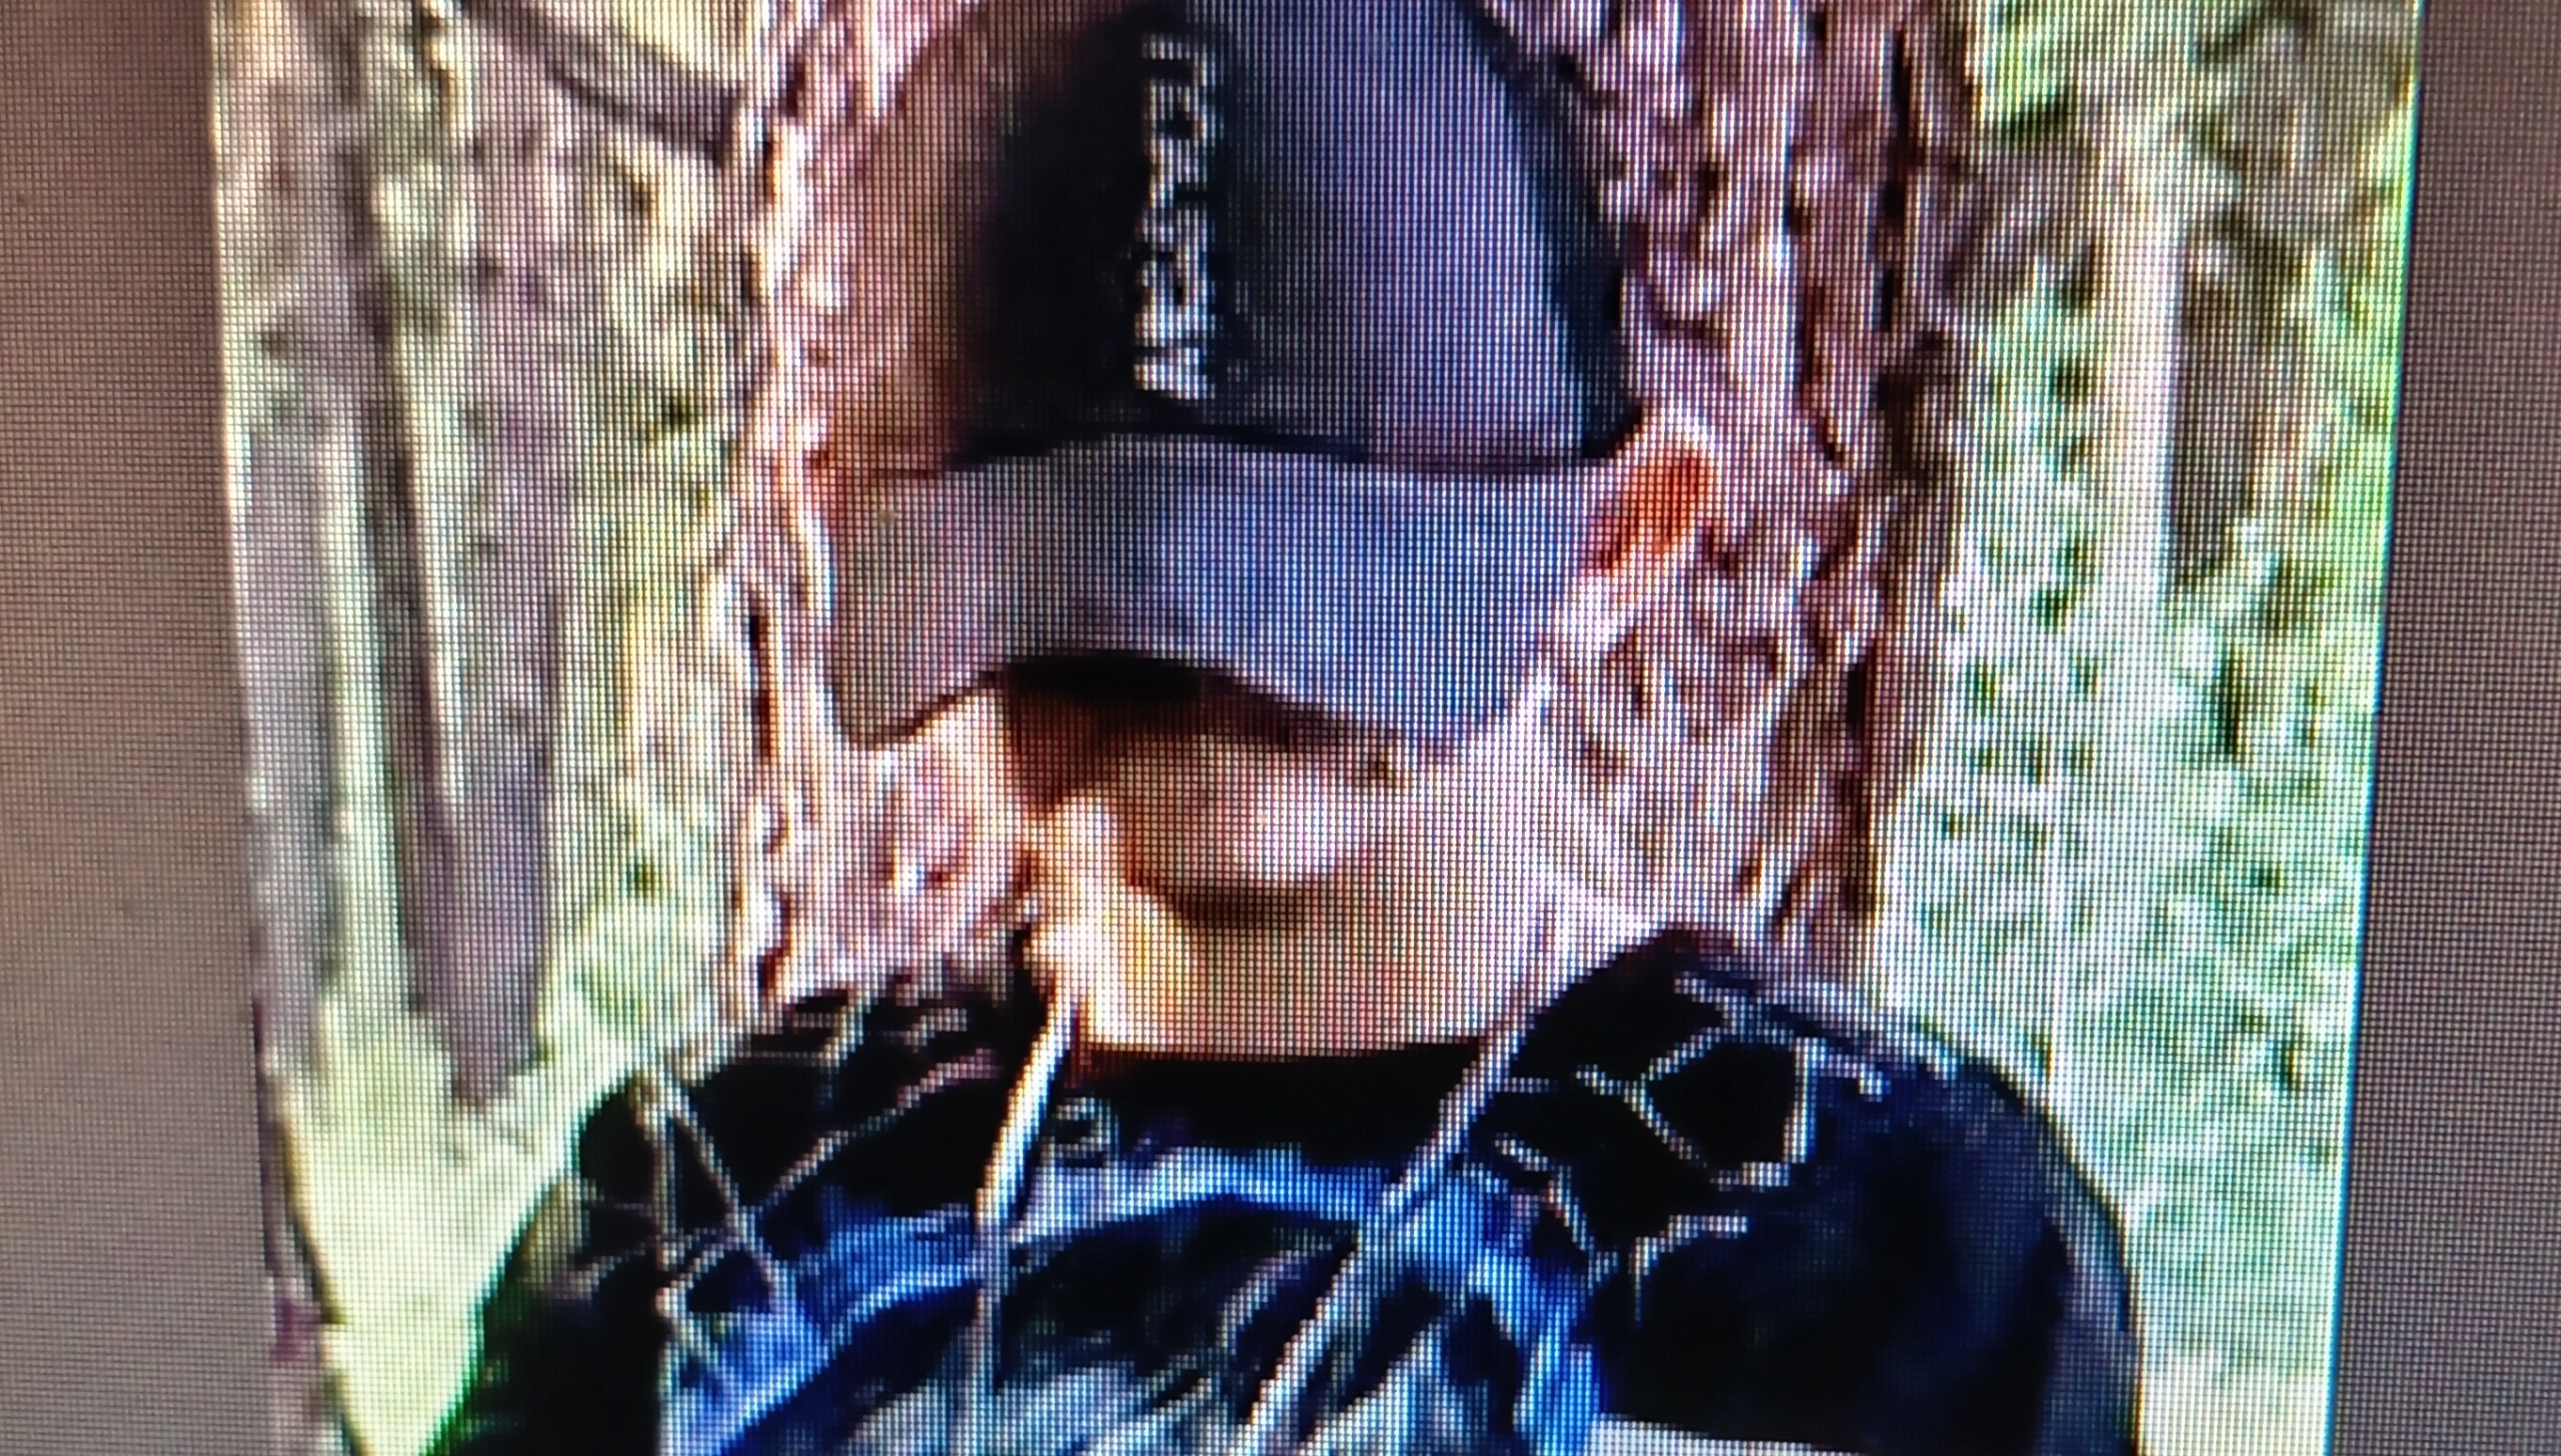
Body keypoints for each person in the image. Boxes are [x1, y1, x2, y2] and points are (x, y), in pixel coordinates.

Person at [436, 0, 2141, 1451]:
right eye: (1065, 574)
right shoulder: (693, 1226)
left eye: (1308, 571)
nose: (1182, 647)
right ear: (836, 531)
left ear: (1613, 543)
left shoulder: (1895, 1247)